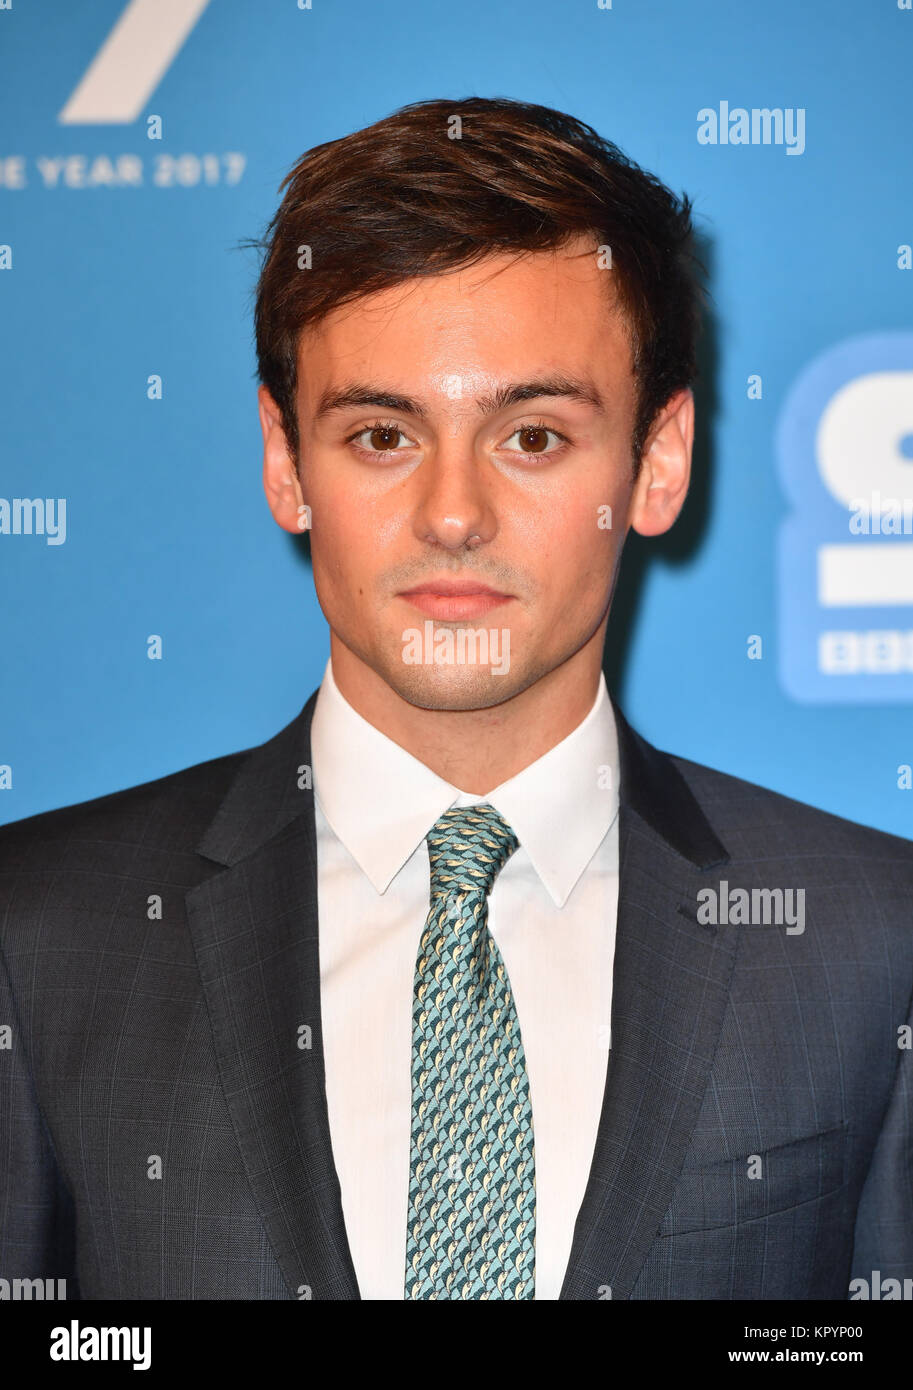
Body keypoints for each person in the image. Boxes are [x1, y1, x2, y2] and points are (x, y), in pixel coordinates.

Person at [1, 97, 910, 1302]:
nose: (451, 515)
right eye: (382, 434)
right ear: (286, 461)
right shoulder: (40, 933)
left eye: (531, 436)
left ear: (657, 460)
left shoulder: (871, 941)